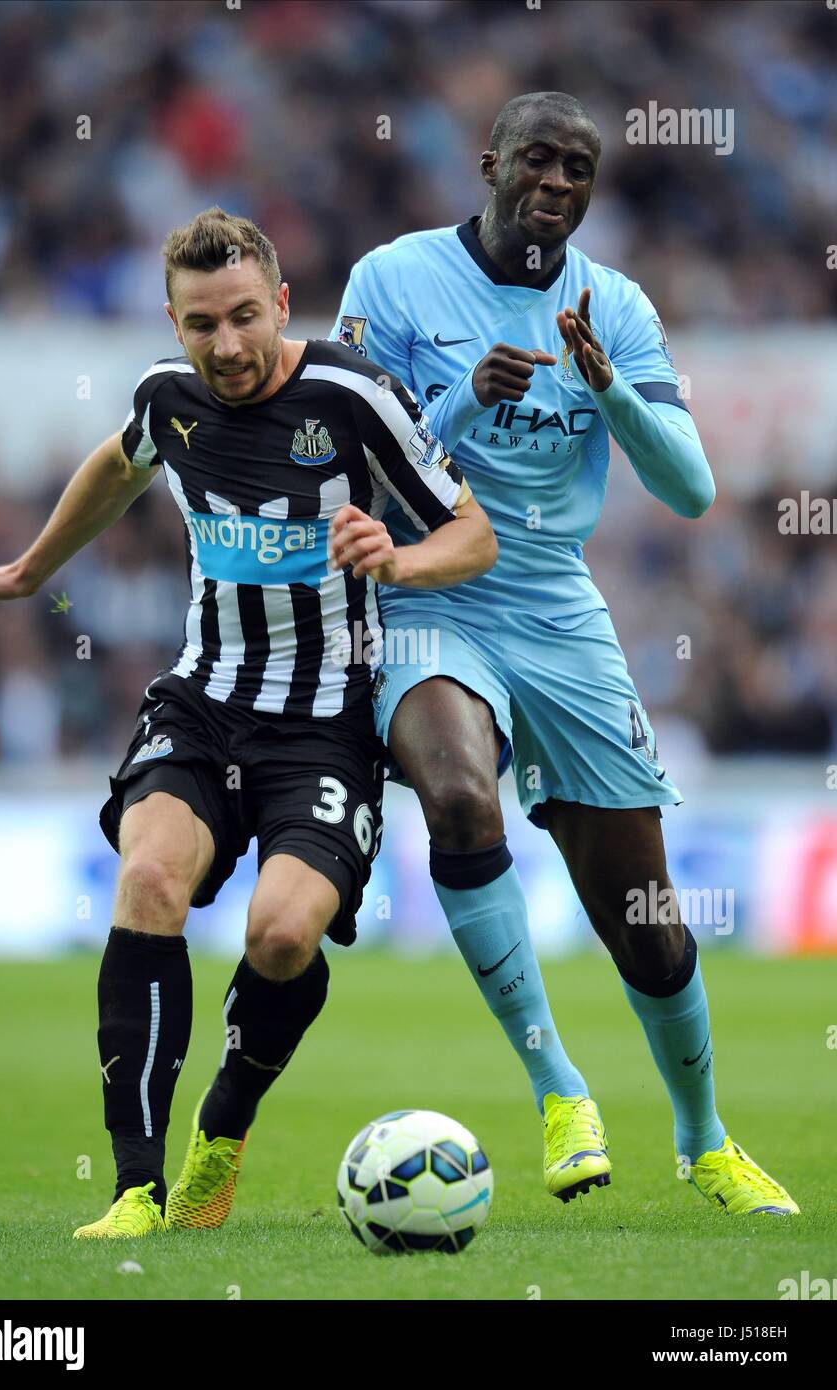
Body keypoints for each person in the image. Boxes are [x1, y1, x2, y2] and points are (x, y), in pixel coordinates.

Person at [0, 207, 496, 1238]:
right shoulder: (167, 398)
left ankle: (223, 1129)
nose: (227, 345)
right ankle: (136, 1188)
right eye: (203, 325)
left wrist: (397, 556)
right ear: (174, 321)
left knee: (281, 935)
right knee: (149, 877)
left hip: (325, 722)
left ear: (282, 304)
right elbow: (119, 462)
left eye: (245, 317)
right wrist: (27, 572)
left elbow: (473, 532)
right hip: (203, 701)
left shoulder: (353, 397)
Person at [331, 92, 797, 1215]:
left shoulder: (617, 306)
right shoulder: (392, 279)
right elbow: (336, 461)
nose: (555, 182)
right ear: (488, 160)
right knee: (455, 795)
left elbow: (689, 490)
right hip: (432, 585)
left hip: (556, 604)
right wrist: (451, 401)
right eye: (536, 159)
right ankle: (558, 1090)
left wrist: (604, 389)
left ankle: (704, 1139)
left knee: (647, 923)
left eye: (577, 170)